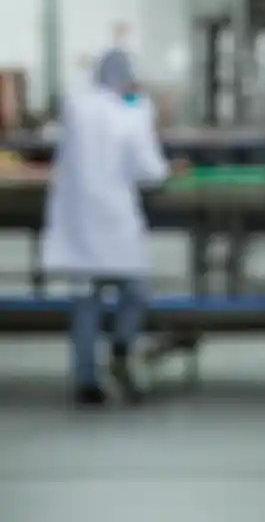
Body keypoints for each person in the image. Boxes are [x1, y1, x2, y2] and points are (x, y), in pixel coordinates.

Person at [41, 48, 171, 406]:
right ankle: (121, 350)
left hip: (79, 223)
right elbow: (149, 170)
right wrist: (166, 168)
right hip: (114, 219)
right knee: (136, 291)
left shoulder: (76, 106)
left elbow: (52, 140)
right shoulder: (131, 114)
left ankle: (86, 380)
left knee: (86, 302)